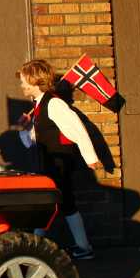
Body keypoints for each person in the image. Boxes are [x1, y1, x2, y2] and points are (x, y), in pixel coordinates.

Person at [17, 59, 101, 260]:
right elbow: (31, 141)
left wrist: (90, 158)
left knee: (56, 203)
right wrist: (25, 128)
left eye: (24, 81)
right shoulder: (38, 106)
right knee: (58, 203)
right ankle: (80, 246)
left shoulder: (54, 104)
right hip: (48, 162)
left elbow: (78, 130)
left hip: (59, 163)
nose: (21, 85)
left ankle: (37, 246)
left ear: (35, 80)